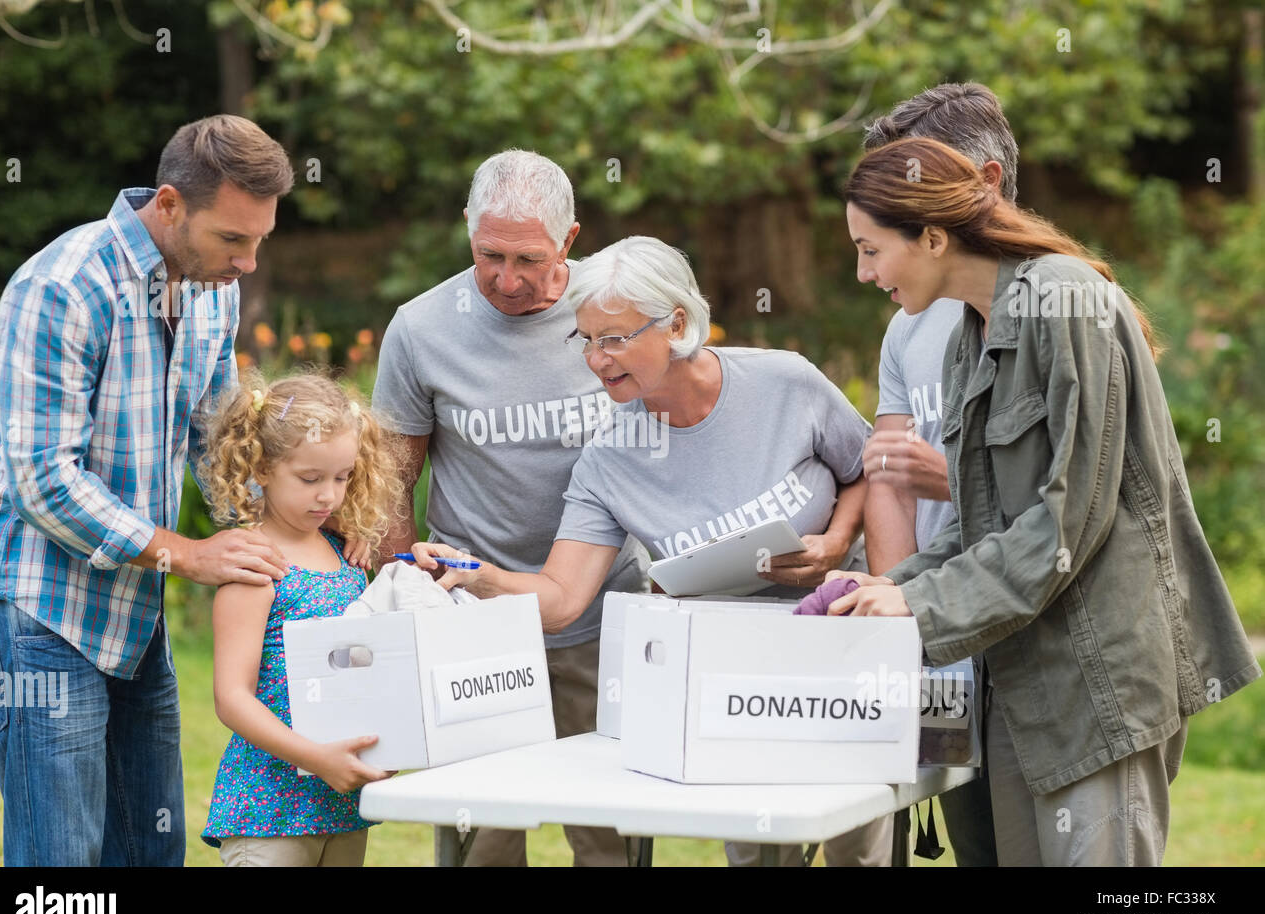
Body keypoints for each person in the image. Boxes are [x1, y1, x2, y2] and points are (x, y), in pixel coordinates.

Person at [832, 137, 1262, 865]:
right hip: (1021, 681)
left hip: (1097, 686)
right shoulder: (972, 332)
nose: (863, 272)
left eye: (871, 250)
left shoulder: (1068, 300)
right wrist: (886, 588)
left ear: (933, 237)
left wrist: (921, 606)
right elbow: (980, 524)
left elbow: (1069, 521)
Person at [414, 235, 893, 867]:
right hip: (730, 674)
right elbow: (560, 601)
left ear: (677, 324)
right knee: (755, 853)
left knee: (856, 849)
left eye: (612, 338)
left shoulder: (785, 382)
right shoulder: (608, 459)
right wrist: (479, 577)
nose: (595, 359)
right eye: (584, 339)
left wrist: (836, 542)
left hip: (838, 645)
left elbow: (868, 469)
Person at [0, 115, 295, 867]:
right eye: (231, 241)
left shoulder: (214, 292)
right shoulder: (62, 286)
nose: (247, 263)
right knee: (62, 863)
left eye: (259, 242)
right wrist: (188, 556)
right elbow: (42, 480)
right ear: (171, 205)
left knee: (150, 849)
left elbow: (219, 442)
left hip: (131, 609)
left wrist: (299, 540)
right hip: (38, 607)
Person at [372, 149, 649, 867]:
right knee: (482, 842)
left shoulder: (616, 313)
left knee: (612, 838)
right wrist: (411, 594)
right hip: (475, 626)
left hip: (605, 614)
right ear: (467, 227)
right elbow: (391, 482)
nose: (505, 278)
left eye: (528, 259)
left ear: (570, 241)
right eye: (488, 253)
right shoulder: (422, 328)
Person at [858, 82, 1018, 867]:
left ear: (982, 183)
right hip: (937, 634)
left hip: (1025, 631)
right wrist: (898, 613)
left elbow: (1080, 496)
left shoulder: (1058, 306)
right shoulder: (907, 323)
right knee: (975, 846)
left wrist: (955, 478)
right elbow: (886, 475)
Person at [199, 373, 401, 866]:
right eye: (310, 479)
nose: (329, 496)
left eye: (343, 476)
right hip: (269, 809)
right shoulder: (254, 564)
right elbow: (232, 698)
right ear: (263, 468)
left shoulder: (344, 552)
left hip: (342, 804)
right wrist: (315, 758)